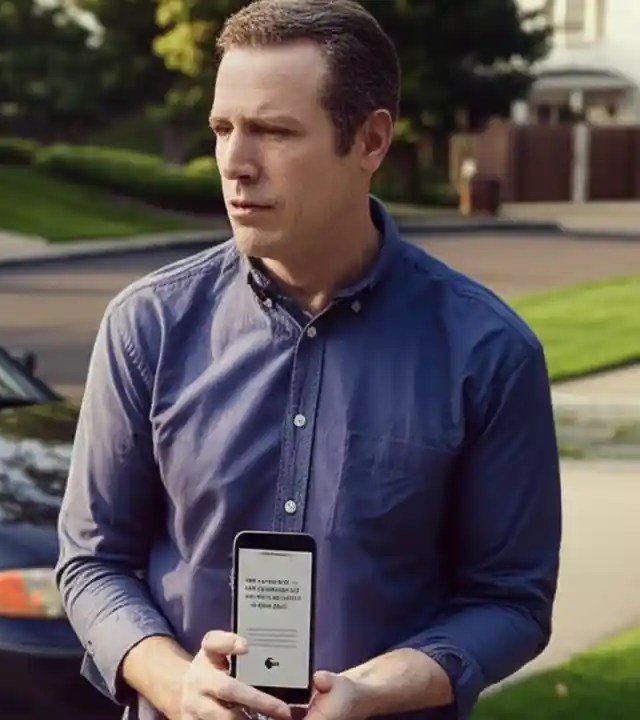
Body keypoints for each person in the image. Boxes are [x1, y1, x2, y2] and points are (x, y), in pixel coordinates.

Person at [54, 2, 562, 719]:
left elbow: (510, 599)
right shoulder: (149, 327)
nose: (235, 162)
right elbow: (92, 562)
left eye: (275, 131)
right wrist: (175, 685)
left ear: (371, 140)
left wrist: (372, 692)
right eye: (224, 128)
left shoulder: (487, 352)